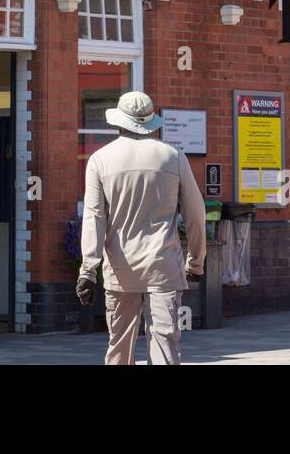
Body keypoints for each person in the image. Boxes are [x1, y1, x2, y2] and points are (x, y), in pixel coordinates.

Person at [77, 91, 206, 365]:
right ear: (150, 122)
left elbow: (94, 217)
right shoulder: (173, 157)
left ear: (119, 122)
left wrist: (88, 270)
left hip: (120, 269)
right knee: (164, 344)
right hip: (164, 265)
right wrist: (196, 263)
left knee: (119, 345)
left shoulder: (99, 160)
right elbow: (196, 214)